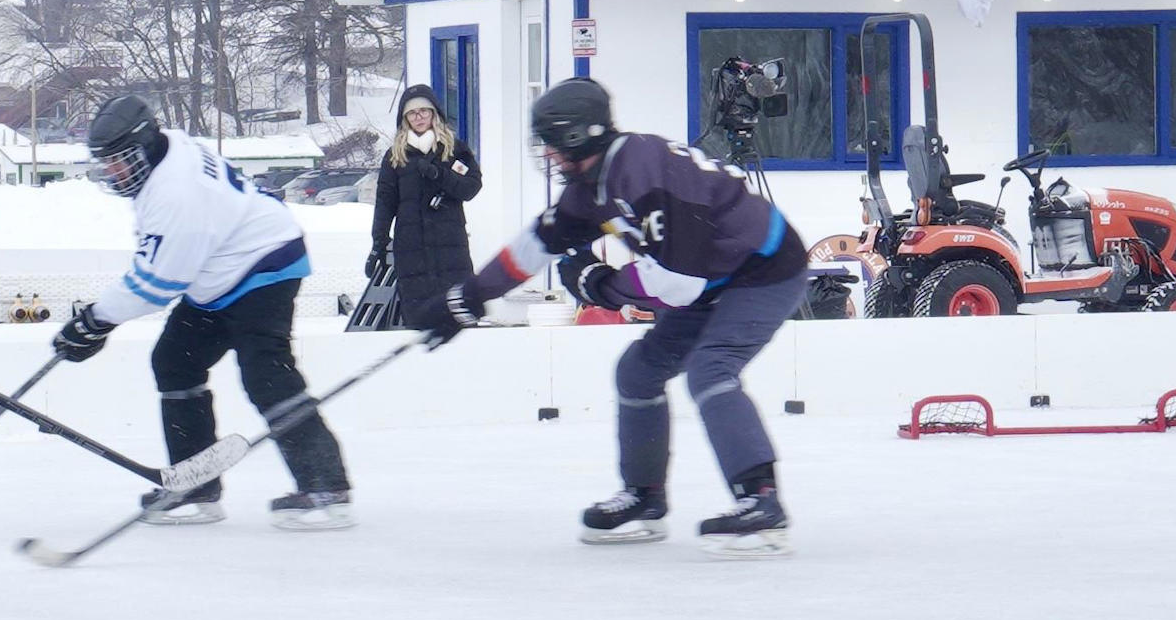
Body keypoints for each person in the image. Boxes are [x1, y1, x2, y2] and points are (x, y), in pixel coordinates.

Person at [422, 74, 810, 552]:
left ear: (577, 136)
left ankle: (762, 502)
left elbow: (676, 283)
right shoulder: (594, 181)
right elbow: (539, 242)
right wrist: (470, 296)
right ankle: (644, 496)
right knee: (638, 372)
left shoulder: (645, 175)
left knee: (711, 370)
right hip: (711, 276)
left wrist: (599, 285)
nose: (547, 156)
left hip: (763, 268)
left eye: (551, 144)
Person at [48, 91, 352, 529]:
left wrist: (96, 320)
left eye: (119, 160)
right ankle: (197, 486)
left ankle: (327, 487)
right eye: (106, 162)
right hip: (219, 272)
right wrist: (99, 322)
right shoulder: (167, 150)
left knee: (266, 374)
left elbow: (156, 284)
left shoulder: (177, 192)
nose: (112, 172)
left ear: (145, 145)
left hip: (265, 264)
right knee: (174, 361)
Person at [358, 83, 480, 329]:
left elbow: (470, 188)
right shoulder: (395, 156)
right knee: (419, 318)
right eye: (412, 113)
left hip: (450, 247)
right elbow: (385, 203)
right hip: (412, 250)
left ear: (434, 113)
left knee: (459, 314)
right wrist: (378, 244)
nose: (419, 117)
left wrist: (439, 174)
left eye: (424, 111)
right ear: (405, 118)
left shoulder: (455, 150)